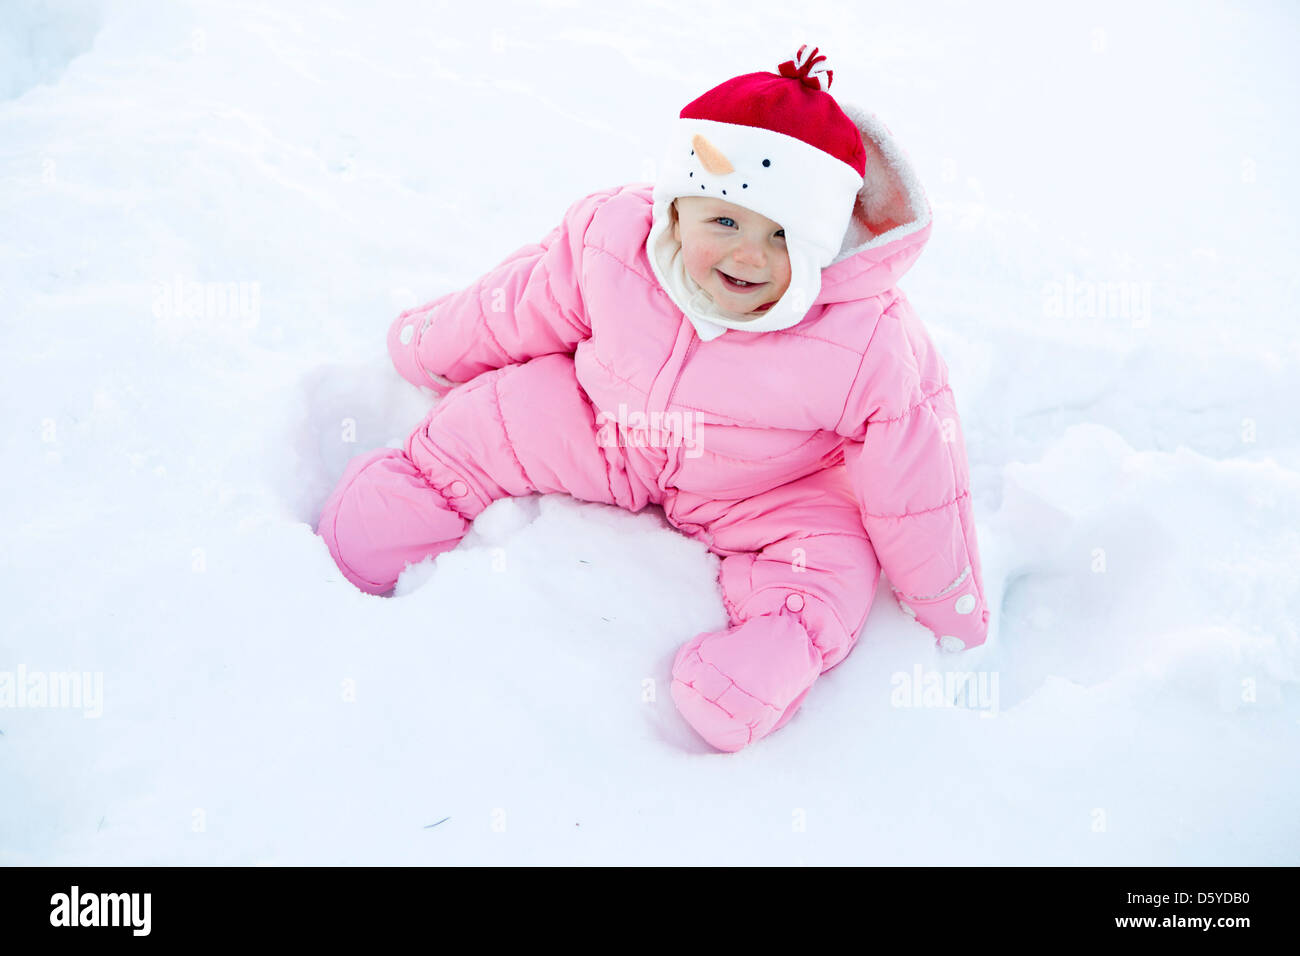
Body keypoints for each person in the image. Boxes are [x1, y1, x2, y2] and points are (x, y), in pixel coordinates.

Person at [316, 45, 991, 752]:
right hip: (606, 425)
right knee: (499, 416)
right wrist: (424, 346)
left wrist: (949, 603)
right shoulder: (615, 244)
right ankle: (415, 494)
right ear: (676, 207)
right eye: (724, 222)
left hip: (763, 486)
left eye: (782, 237)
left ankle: (768, 654)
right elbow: (515, 307)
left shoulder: (868, 338)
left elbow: (920, 477)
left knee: (832, 560)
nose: (748, 257)